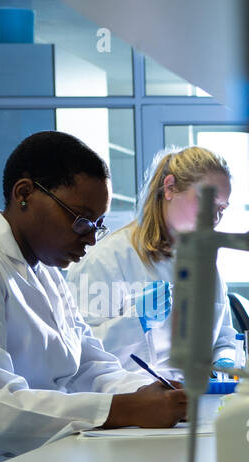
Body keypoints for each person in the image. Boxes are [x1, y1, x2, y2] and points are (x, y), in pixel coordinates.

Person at [0, 131, 186, 462]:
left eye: (98, 226)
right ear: (24, 194)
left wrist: (156, 393)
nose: (90, 239)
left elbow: (91, 367)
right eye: (81, 220)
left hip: (43, 461)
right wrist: (124, 409)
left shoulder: (48, 273)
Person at [67, 146, 238, 376]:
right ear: (169, 188)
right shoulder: (106, 260)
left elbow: (224, 336)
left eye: (221, 208)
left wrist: (224, 358)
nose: (215, 218)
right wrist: (136, 321)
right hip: (133, 402)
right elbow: (78, 354)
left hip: (197, 399)